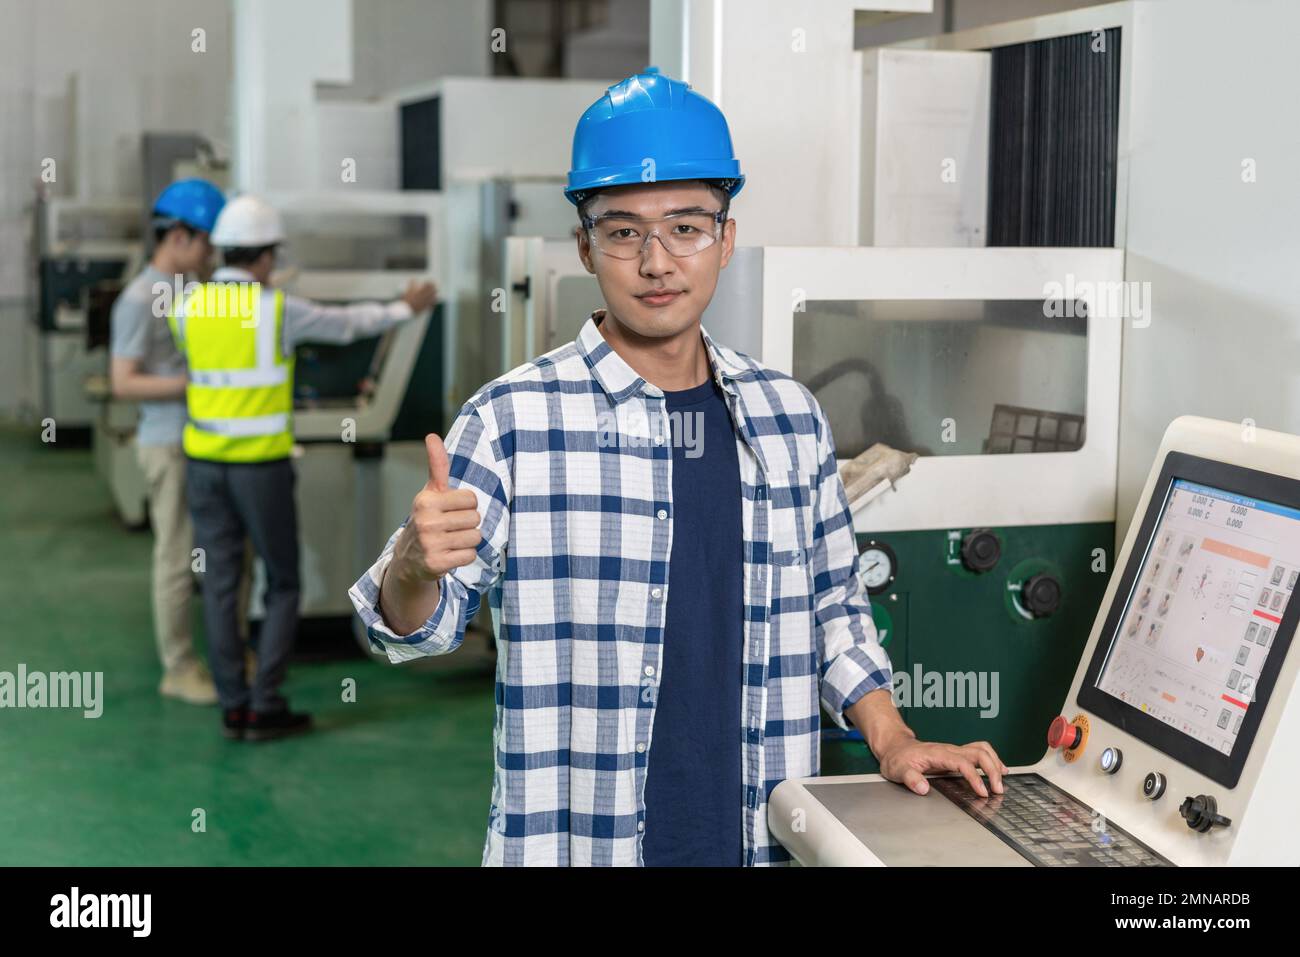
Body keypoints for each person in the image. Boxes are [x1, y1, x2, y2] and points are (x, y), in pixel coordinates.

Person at [350, 67, 1006, 865]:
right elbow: (413, 629)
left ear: (725, 238)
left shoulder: (788, 416)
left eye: (687, 226)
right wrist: (414, 566)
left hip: (755, 840)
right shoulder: (513, 421)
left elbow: (836, 608)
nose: (657, 260)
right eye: (624, 231)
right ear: (585, 246)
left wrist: (893, 738)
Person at [170, 194, 437, 740]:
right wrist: (403, 309)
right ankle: (264, 703)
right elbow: (343, 325)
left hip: (202, 464)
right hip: (260, 468)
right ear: (265, 257)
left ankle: (233, 705)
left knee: (221, 583)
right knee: (283, 582)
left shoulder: (184, 307)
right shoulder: (274, 309)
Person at [111, 178, 225, 705]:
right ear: (179, 235)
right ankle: (178, 668)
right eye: (206, 242)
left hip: (206, 440)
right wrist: (199, 383)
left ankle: (223, 653)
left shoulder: (196, 293)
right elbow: (124, 381)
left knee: (221, 552)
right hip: (166, 443)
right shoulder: (139, 299)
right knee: (177, 557)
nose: (211, 254)